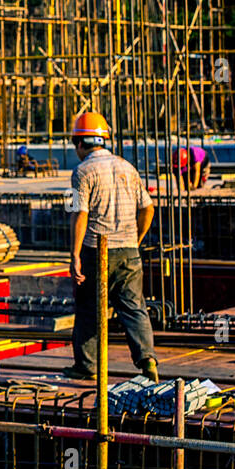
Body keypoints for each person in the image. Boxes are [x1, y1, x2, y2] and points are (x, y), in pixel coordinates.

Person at [65, 110, 158, 383]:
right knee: (134, 308)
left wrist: (75, 255)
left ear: (80, 143)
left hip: (96, 250)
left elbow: (78, 213)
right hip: (129, 251)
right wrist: (136, 240)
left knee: (88, 308)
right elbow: (148, 208)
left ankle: (87, 365)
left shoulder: (81, 172)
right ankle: (148, 361)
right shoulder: (128, 168)